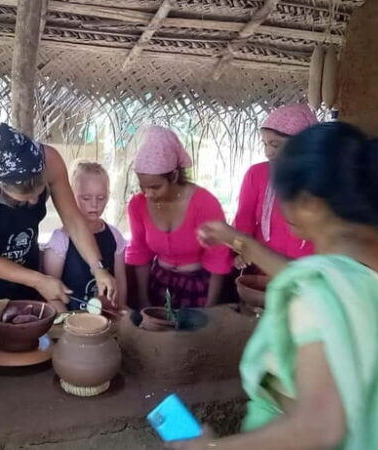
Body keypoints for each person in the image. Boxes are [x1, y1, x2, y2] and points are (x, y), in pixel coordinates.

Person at [182, 122, 378, 449]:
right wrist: (240, 241)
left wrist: (212, 449)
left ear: (310, 202)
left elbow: (319, 428)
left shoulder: (320, 293)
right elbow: (311, 276)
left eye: (281, 195)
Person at [0, 123, 116, 326]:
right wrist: (39, 280)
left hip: (24, 265)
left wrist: (98, 268)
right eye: (25, 198)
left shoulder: (50, 160)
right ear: (0, 185)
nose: (35, 201)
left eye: (39, 191)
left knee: (26, 332)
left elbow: (74, 221)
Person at [126, 126, 231, 308]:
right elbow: (140, 252)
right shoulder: (137, 204)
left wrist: (209, 309)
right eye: (143, 187)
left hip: (198, 286)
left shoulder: (204, 204)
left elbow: (218, 257)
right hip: (158, 283)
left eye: (156, 187)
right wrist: (143, 299)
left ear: (174, 176)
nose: (148, 194)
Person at [234, 104, 318, 271]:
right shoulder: (257, 174)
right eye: (265, 144)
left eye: (275, 145)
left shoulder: (321, 179)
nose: (268, 152)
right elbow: (244, 220)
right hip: (261, 267)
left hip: (305, 274)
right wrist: (241, 250)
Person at [43, 161, 128, 312]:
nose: (94, 205)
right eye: (86, 198)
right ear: (70, 196)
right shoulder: (60, 240)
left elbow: (120, 283)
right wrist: (67, 321)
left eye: (101, 198)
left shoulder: (115, 236)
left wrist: (118, 312)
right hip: (70, 318)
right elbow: (50, 293)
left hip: (105, 317)